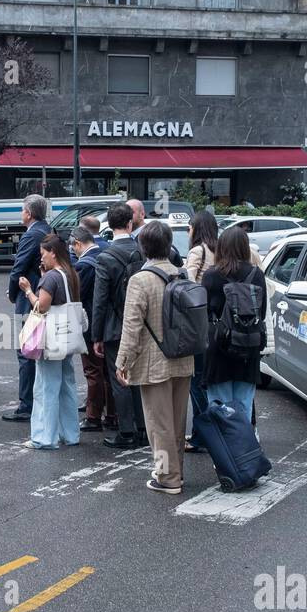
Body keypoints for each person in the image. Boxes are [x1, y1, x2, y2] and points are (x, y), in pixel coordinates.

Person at [115, 221, 195, 495]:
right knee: (176, 422)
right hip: (183, 358)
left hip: (154, 361)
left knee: (158, 425)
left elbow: (132, 326)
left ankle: (166, 477)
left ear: (143, 246)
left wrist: (123, 361)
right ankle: (176, 471)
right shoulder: (183, 274)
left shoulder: (141, 280)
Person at [90, 202, 147, 448]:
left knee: (120, 378)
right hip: (143, 324)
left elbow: (99, 300)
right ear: (130, 223)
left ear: (110, 226)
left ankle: (126, 432)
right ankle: (143, 428)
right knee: (139, 377)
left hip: (115, 327)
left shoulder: (105, 257)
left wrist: (96, 336)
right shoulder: (143, 251)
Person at [18, 234, 81, 450]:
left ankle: (44, 437)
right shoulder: (71, 273)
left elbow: (41, 307)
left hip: (52, 338)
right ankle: (70, 433)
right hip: (68, 335)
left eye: (43, 254)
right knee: (67, 385)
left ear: (52, 252)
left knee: (46, 387)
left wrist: (28, 290)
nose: (41, 258)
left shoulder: (51, 277)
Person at [202, 225, 267, 421]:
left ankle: (224, 449)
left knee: (220, 408)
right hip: (248, 347)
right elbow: (261, 313)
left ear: (221, 247)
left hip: (218, 349)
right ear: (245, 247)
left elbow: (204, 312)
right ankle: (241, 448)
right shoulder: (257, 275)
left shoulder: (211, 275)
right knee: (243, 407)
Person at [4, 194, 51, 422]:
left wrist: (13, 294)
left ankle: (26, 405)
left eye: (22, 210)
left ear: (29, 213)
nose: (21, 213)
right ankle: (36, 399)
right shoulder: (48, 230)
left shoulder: (32, 235)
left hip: (29, 297)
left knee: (26, 350)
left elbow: (18, 268)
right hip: (45, 294)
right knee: (40, 351)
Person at [70, 224, 115, 432]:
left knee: (93, 371)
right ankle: (112, 414)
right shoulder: (104, 255)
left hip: (90, 325)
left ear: (78, 243)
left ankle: (93, 416)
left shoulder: (84, 265)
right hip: (110, 322)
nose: (73, 250)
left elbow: (77, 296)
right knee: (107, 371)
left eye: (73, 247)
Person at [184, 209, 219, 452]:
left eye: (189, 227)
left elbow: (188, 284)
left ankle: (202, 434)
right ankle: (210, 431)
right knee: (210, 381)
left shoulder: (198, 251)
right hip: (218, 321)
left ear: (197, 229)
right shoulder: (221, 250)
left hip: (199, 322)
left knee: (196, 381)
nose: (188, 231)